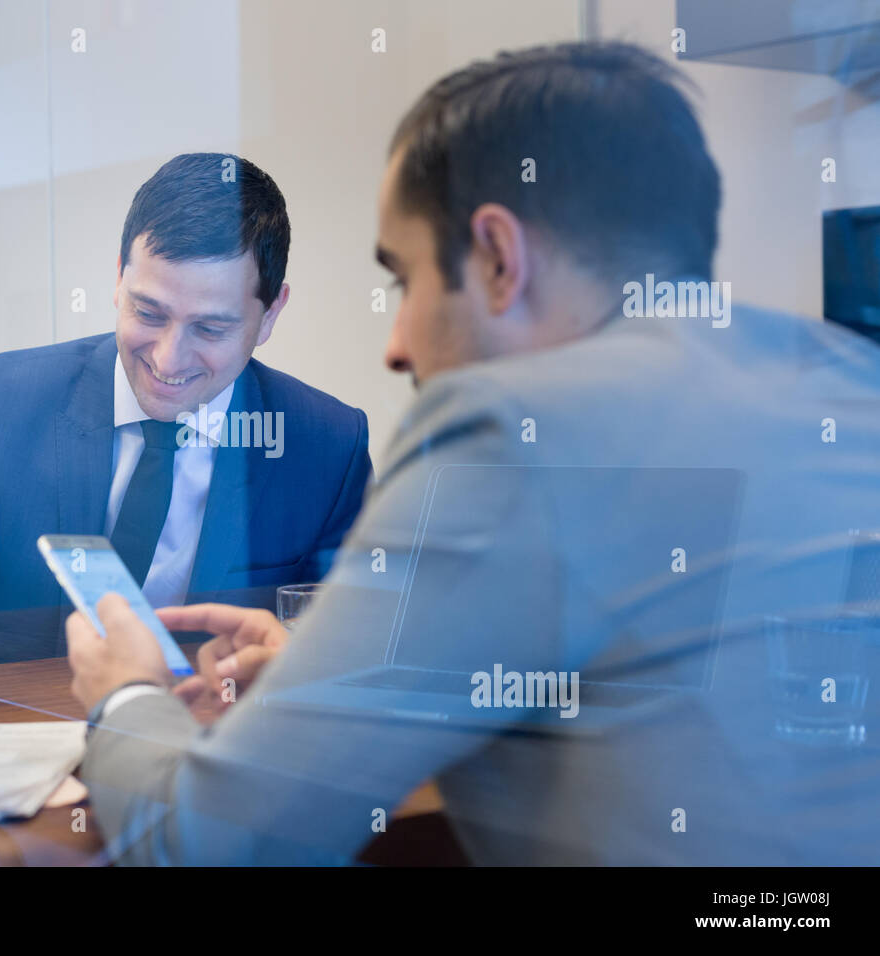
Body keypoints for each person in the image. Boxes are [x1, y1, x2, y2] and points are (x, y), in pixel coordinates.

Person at [65, 43, 880, 864]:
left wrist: (126, 694)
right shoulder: (852, 385)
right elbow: (668, 687)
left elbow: (216, 846)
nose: (395, 344)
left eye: (403, 281)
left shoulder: (511, 427)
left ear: (497, 257)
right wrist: (348, 677)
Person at [0, 152, 372, 702]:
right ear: (117, 277)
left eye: (211, 330)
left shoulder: (325, 444)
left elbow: (342, 643)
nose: (169, 360)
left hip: (209, 765)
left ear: (270, 314)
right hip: (17, 742)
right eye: (148, 313)